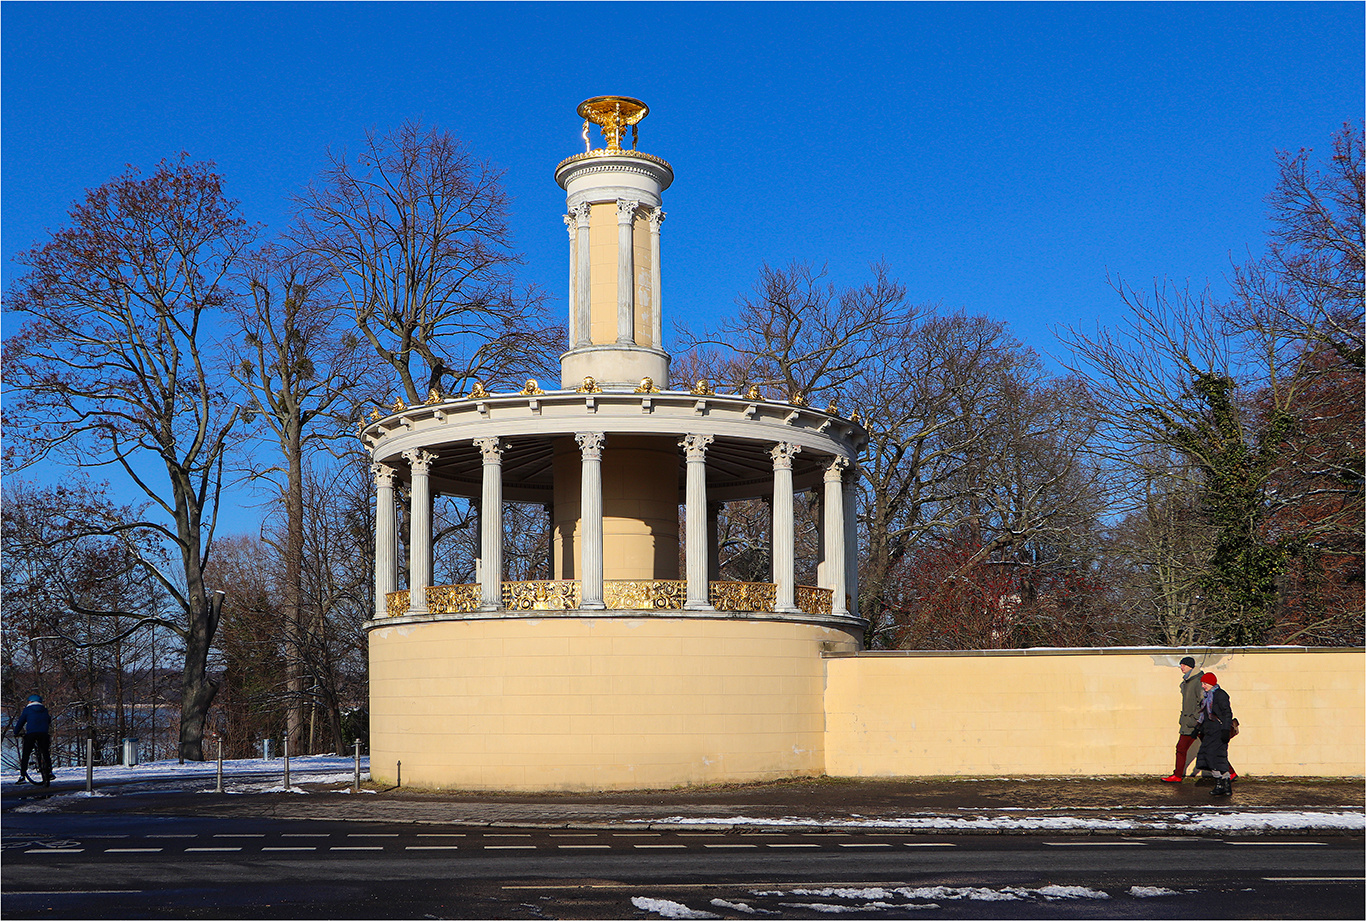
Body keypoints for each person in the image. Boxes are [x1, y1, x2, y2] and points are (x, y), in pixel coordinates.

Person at [1163, 656, 1205, 782]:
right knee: (1209, 748)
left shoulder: (1197, 681)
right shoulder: (1187, 681)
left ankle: (1177, 775)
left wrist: (1195, 718)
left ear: (1190, 666)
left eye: (1184, 665)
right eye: (1181, 665)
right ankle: (1177, 774)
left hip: (1194, 723)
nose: (1181, 667)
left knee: (1181, 749)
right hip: (1190, 722)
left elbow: (1203, 702)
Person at [1194, 672, 1236, 797]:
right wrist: (1197, 728)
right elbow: (1204, 715)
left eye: (1205, 683)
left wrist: (1224, 730)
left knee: (1215, 757)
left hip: (1219, 731)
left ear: (1211, 683)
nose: (1203, 686)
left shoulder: (1220, 695)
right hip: (1209, 731)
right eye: (1202, 683)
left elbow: (1227, 713)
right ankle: (1223, 784)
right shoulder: (1207, 696)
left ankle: (1222, 785)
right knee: (1213, 757)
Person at [10, 694, 54, 787]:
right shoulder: (44, 710)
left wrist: (16, 732)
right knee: (45, 752)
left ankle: (22, 775)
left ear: (30, 702)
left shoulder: (27, 710)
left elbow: (21, 722)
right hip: (43, 734)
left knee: (26, 753)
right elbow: (49, 721)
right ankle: (49, 771)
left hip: (31, 734)